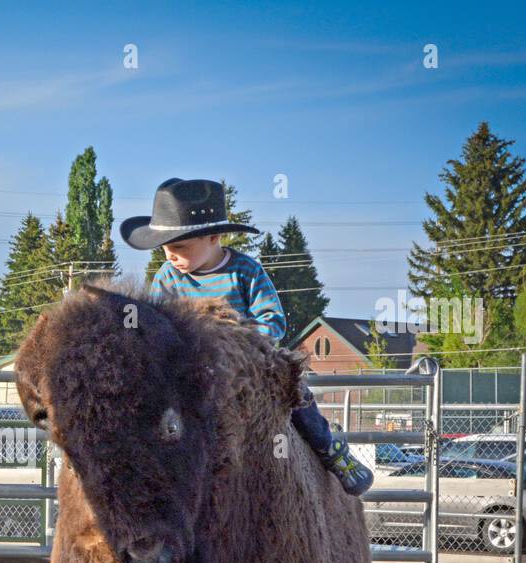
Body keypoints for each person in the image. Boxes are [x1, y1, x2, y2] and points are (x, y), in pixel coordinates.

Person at [121, 178, 373, 496]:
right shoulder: (167, 277)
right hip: (190, 366)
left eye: (180, 246)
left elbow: (272, 320)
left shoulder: (246, 272)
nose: (170, 255)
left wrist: (244, 345)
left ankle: (329, 449)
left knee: (293, 387)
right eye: (166, 247)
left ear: (214, 237)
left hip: (248, 363)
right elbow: (156, 325)